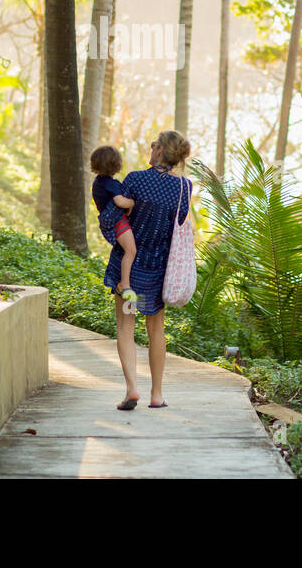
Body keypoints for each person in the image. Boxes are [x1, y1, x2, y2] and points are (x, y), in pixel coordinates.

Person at [100, 130, 192, 411]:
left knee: (126, 327)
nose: (150, 149)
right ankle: (157, 394)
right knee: (156, 330)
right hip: (159, 268)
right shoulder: (184, 188)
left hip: (129, 267)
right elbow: (177, 222)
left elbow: (114, 216)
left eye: (154, 145)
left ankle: (131, 389)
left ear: (161, 151)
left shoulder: (135, 180)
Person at [90, 145, 139, 298]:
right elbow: (120, 202)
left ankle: (123, 282)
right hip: (117, 222)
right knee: (131, 250)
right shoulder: (110, 183)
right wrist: (133, 203)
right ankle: (125, 283)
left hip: (110, 221)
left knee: (127, 250)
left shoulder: (98, 182)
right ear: (115, 164)